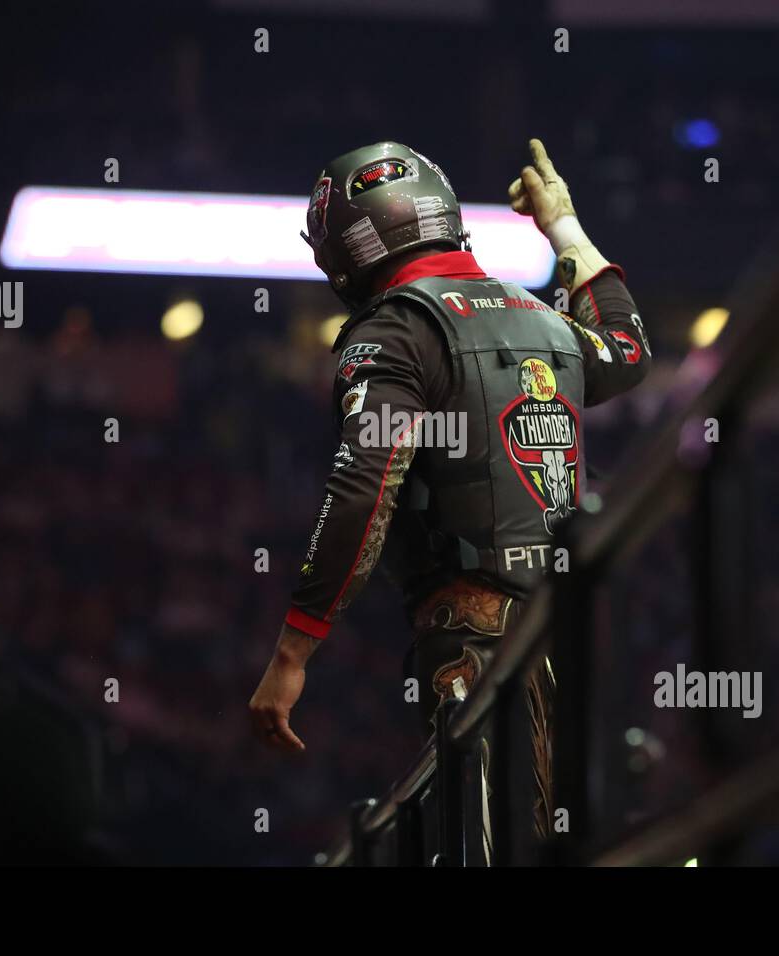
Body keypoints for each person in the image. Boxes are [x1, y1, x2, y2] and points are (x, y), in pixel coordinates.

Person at [249, 138, 651, 843]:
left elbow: (363, 484)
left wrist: (292, 652)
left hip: (475, 639)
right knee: (593, 835)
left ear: (349, 248)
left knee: (490, 842)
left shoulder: (395, 330)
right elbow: (627, 349)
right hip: (581, 628)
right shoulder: (543, 319)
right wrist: (562, 225)